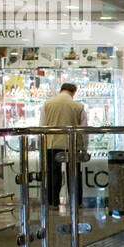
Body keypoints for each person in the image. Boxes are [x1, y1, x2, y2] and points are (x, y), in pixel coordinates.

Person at [40, 82, 87, 213]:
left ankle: (52, 202)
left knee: (53, 173)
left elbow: (42, 126)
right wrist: (84, 147)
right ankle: (76, 202)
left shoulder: (47, 105)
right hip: (72, 144)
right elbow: (83, 130)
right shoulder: (78, 106)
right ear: (73, 92)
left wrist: (42, 145)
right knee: (74, 174)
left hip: (52, 144)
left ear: (61, 90)